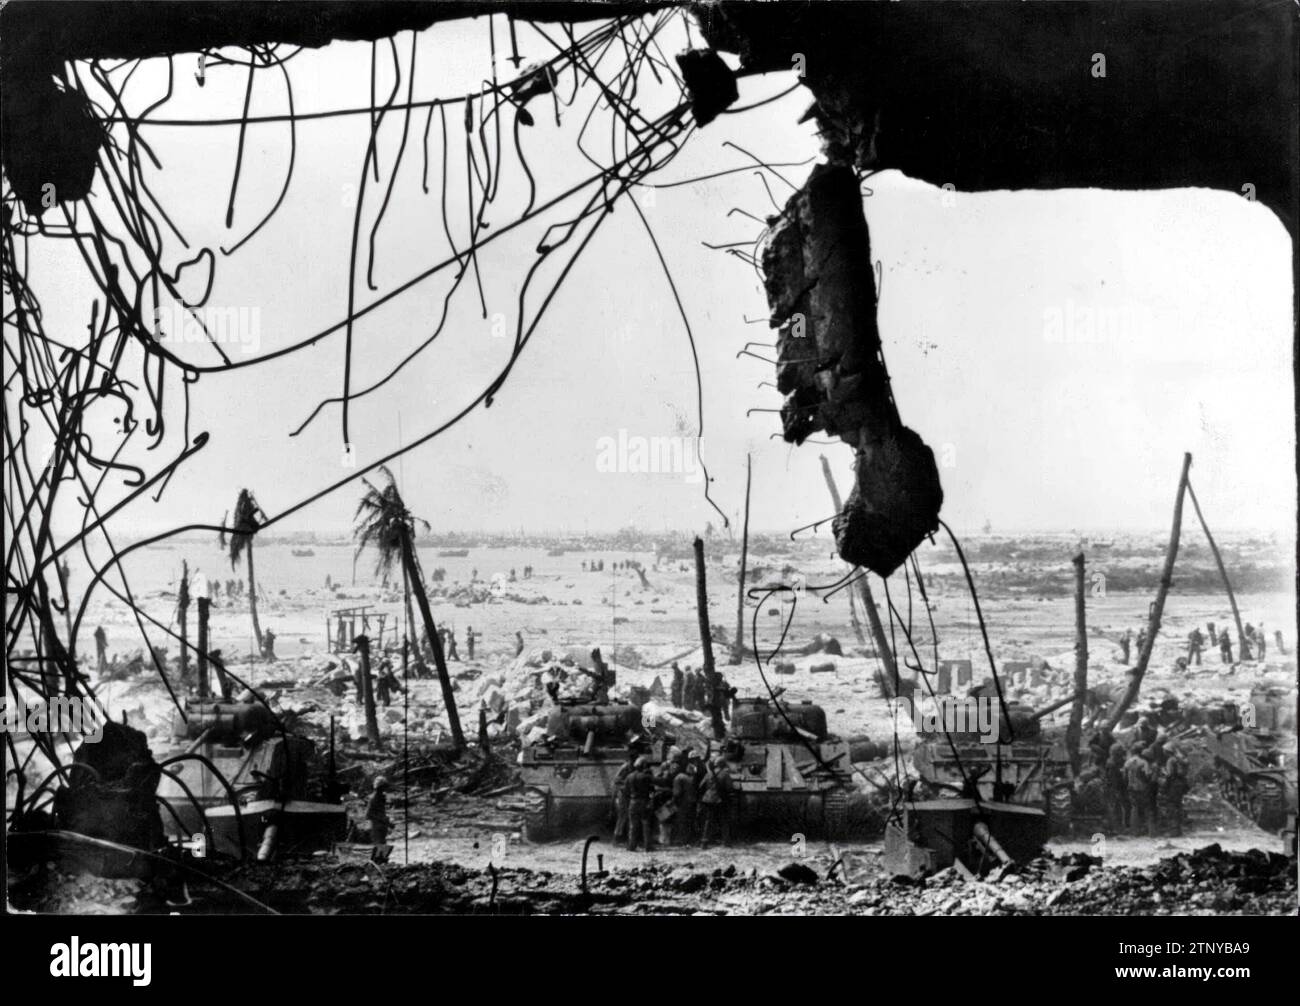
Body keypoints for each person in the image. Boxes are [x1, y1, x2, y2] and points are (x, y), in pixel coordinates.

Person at [699, 756, 733, 847]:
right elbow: (729, 788)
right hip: (719, 800)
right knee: (723, 820)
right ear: (723, 765)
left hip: (708, 800)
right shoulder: (725, 774)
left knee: (708, 821)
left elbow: (701, 786)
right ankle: (726, 842)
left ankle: (704, 842)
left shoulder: (708, 774)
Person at [625, 756, 655, 851]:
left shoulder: (629, 777)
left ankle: (631, 846)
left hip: (633, 802)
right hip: (643, 802)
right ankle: (648, 846)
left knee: (633, 825)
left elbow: (625, 791)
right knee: (645, 824)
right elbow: (652, 788)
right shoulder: (645, 777)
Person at [1159, 745, 1190, 836]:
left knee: (1172, 807)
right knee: (1178, 805)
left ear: (1167, 751)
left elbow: (1170, 774)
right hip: (1180, 784)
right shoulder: (1179, 759)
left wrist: (1163, 774)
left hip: (1173, 785)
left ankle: (1174, 831)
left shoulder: (1170, 760)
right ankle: (1178, 830)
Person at [1124, 745, 1154, 836]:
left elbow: (1125, 775)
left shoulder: (1128, 762)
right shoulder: (1143, 762)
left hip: (1131, 787)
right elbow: (1147, 775)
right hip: (1142, 787)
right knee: (1146, 808)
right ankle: (1150, 831)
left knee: (1134, 808)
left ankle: (1134, 831)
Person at [1103, 742, 1130, 833]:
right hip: (1114, 789)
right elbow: (1113, 779)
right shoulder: (1112, 763)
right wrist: (1116, 790)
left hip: (1118, 788)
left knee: (1119, 808)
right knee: (1115, 808)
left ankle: (1119, 827)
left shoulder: (1115, 761)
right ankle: (1116, 828)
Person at [672, 756, 698, 846]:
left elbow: (677, 793)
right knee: (689, 822)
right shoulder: (689, 778)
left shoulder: (678, 778)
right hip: (691, 802)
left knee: (682, 821)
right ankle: (689, 840)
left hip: (683, 803)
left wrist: (674, 801)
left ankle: (682, 840)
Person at [366, 777, 392, 862]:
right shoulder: (373, 799)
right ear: (378, 788)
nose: (384, 789)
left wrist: (388, 822)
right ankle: (377, 864)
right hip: (376, 827)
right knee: (378, 846)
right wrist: (382, 819)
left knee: (383, 846)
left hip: (382, 826)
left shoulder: (382, 798)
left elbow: (382, 812)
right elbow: (368, 814)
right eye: (383, 787)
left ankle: (383, 863)